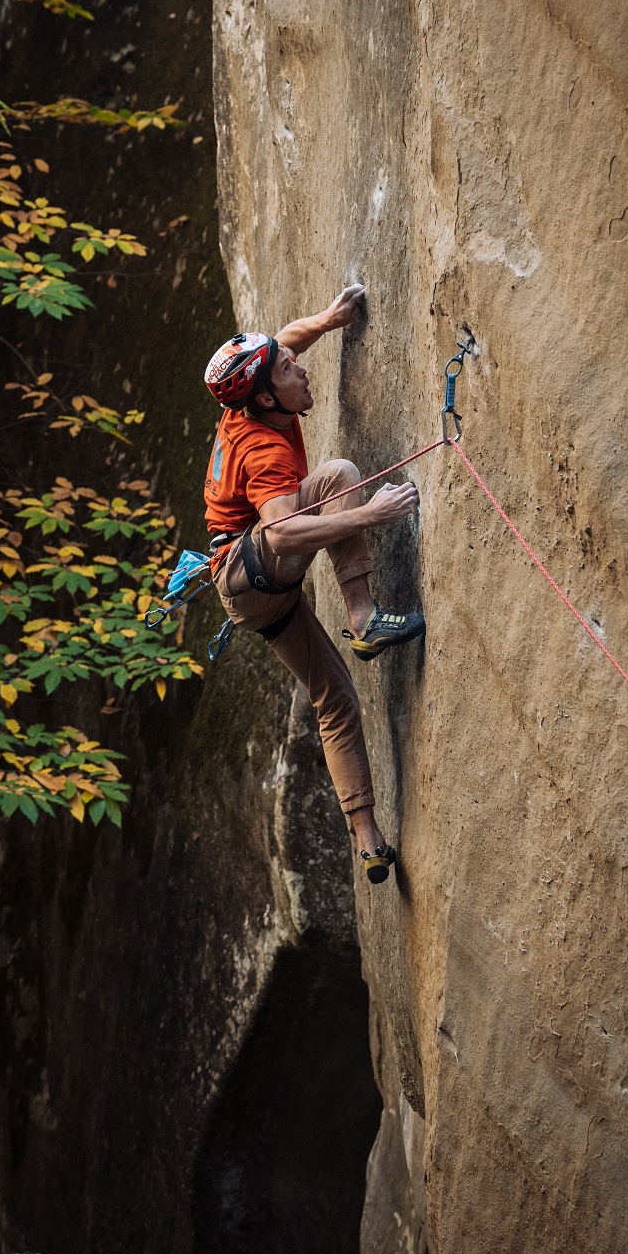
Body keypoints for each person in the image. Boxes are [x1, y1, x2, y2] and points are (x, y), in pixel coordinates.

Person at [203, 285, 425, 884]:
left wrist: (329, 320)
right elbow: (283, 535)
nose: (299, 369)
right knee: (337, 478)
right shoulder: (266, 450)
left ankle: (368, 838)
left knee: (335, 697)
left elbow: (286, 340)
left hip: (250, 598)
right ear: (269, 398)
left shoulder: (251, 398)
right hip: (255, 566)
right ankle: (364, 616)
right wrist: (372, 515)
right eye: (287, 371)